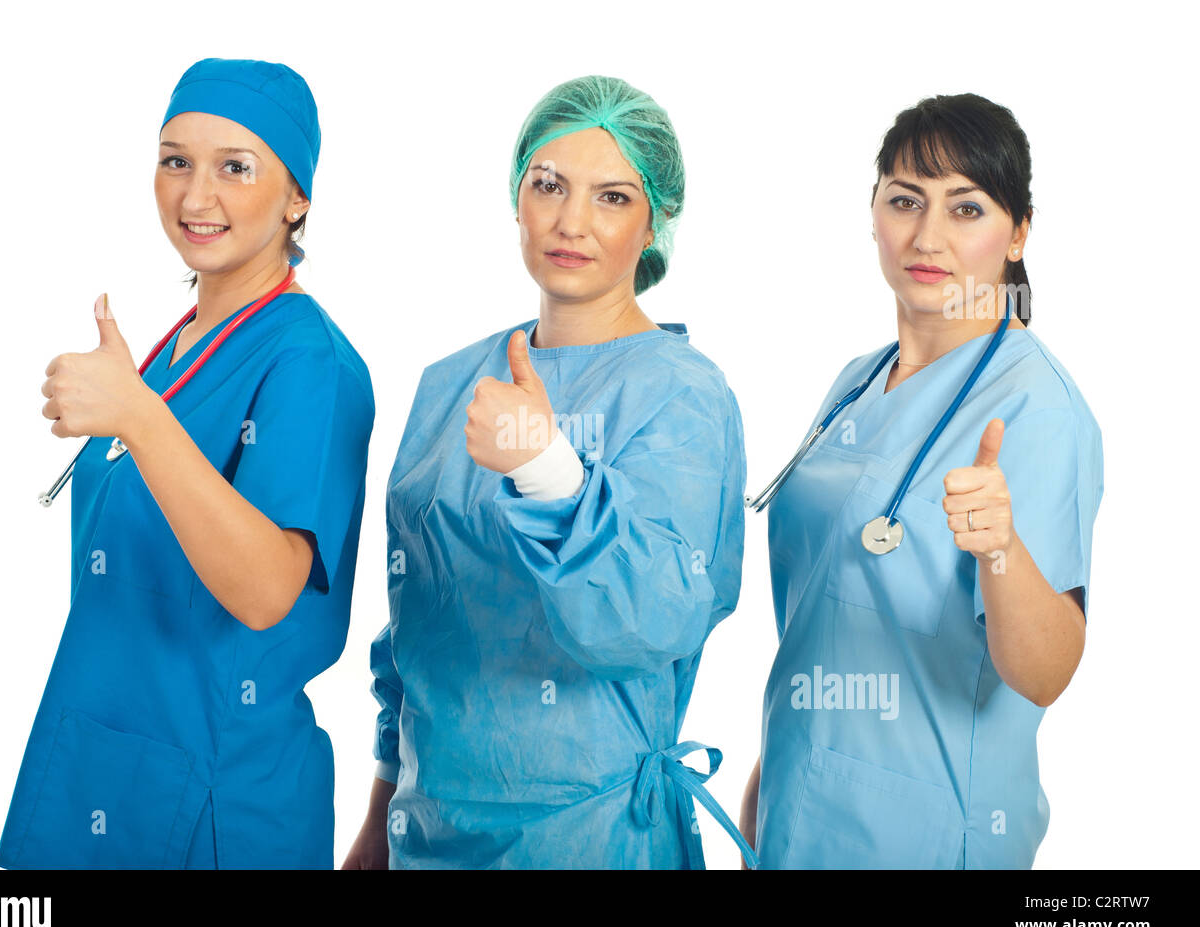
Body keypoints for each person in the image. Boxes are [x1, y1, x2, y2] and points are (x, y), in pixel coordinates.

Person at [342, 75, 755, 869]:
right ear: (517, 198)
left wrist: (550, 469)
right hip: (428, 831)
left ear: (654, 223)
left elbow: (656, 618)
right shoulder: (451, 382)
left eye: (611, 197)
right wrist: (379, 813)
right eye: (550, 186)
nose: (571, 221)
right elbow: (417, 628)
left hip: (591, 835)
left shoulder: (681, 394)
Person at [0, 58, 374, 869]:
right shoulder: (171, 351)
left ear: (297, 196)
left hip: (216, 797)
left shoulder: (311, 365)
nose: (196, 197)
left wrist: (137, 415)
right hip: (99, 761)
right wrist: (137, 400)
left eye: (236, 168)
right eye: (176, 161)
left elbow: (271, 588)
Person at [739, 93, 1103, 869]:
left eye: (966, 209)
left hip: (930, 831)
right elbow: (826, 609)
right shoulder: (855, 380)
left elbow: (1045, 672)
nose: (927, 236)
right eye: (905, 200)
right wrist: (775, 772)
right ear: (873, 212)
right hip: (800, 809)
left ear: (1020, 233)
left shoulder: (1035, 408)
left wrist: (1000, 549)